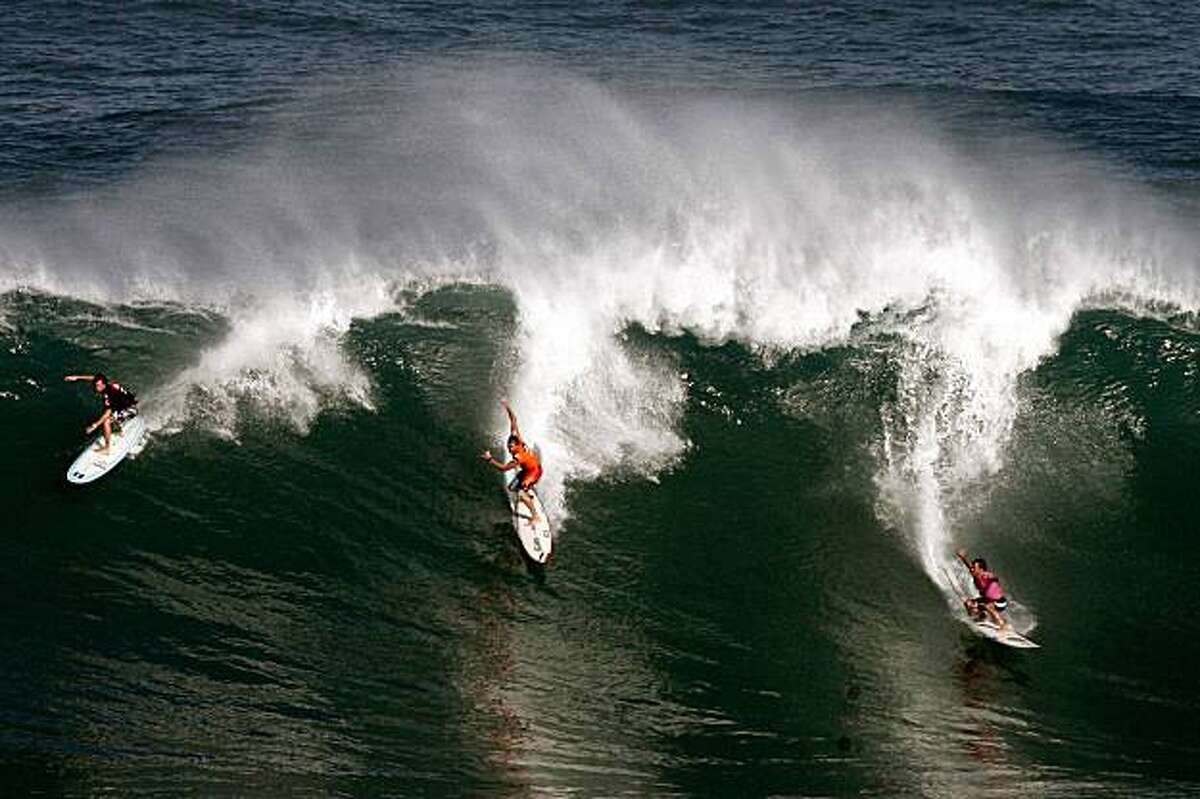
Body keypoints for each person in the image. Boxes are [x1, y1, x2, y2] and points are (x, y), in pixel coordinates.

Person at [480, 400, 543, 526]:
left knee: (521, 494)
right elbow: (513, 419)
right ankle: (527, 491)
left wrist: (489, 459)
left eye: (512, 447)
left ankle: (535, 516)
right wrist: (507, 406)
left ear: (516, 446)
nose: (510, 448)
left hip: (534, 472)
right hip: (527, 470)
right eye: (509, 446)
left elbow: (503, 468)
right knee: (511, 488)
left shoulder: (518, 457)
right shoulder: (517, 437)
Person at [65, 373, 138, 455]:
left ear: (103, 385)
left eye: (98, 386)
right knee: (110, 414)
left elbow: (107, 413)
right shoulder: (108, 384)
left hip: (130, 409)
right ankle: (118, 428)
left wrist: (94, 425)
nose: (96, 388)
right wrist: (77, 377)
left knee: (106, 421)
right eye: (96, 385)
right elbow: (94, 378)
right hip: (126, 404)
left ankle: (107, 449)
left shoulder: (108, 395)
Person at [955, 549, 1010, 630]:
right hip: (986, 600)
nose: (971, 569)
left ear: (981, 570)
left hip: (1000, 602)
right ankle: (980, 618)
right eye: (972, 567)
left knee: (987, 606)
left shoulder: (986, 576)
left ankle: (1003, 626)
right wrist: (963, 558)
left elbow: (993, 578)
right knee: (968, 603)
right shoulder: (976, 575)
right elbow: (969, 566)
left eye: (974, 568)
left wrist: (993, 580)